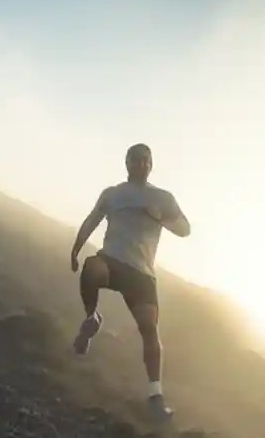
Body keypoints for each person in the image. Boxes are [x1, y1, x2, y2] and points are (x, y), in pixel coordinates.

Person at [69, 143, 191, 421]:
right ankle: (92, 319)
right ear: (127, 163)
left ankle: (155, 396)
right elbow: (92, 220)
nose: (142, 165)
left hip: (142, 274)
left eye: (147, 160)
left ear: (152, 164)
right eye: (137, 160)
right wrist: (76, 248)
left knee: (149, 329)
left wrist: (161, 217)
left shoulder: (162, 197)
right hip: (112, 261)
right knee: (91, 267)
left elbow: (185, 230)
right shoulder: (113, 194)